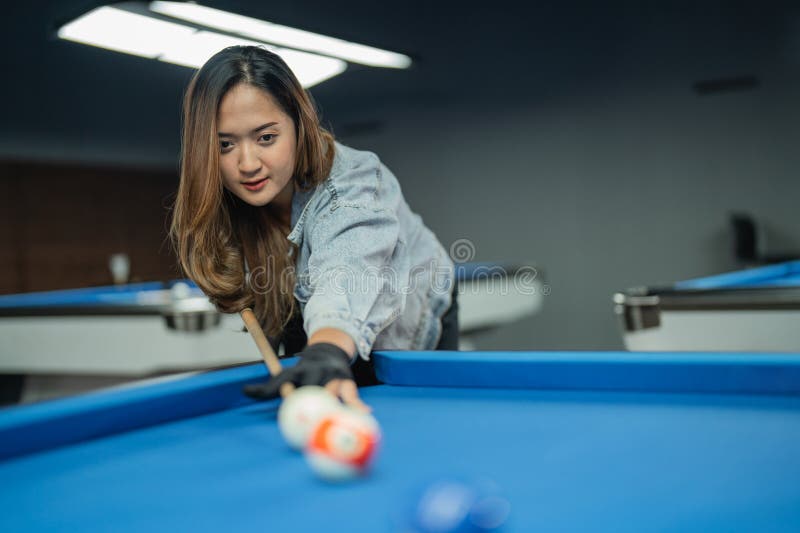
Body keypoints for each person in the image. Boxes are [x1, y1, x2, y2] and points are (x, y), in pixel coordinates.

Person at [170, 46, 458, 410]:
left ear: (298, 125)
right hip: (313, 313)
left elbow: (347, 270)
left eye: (266, 138)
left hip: (411, 312)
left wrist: (325, 349)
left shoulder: (351, 187)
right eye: (225, 144)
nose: (246, 164)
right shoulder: (228, 196)